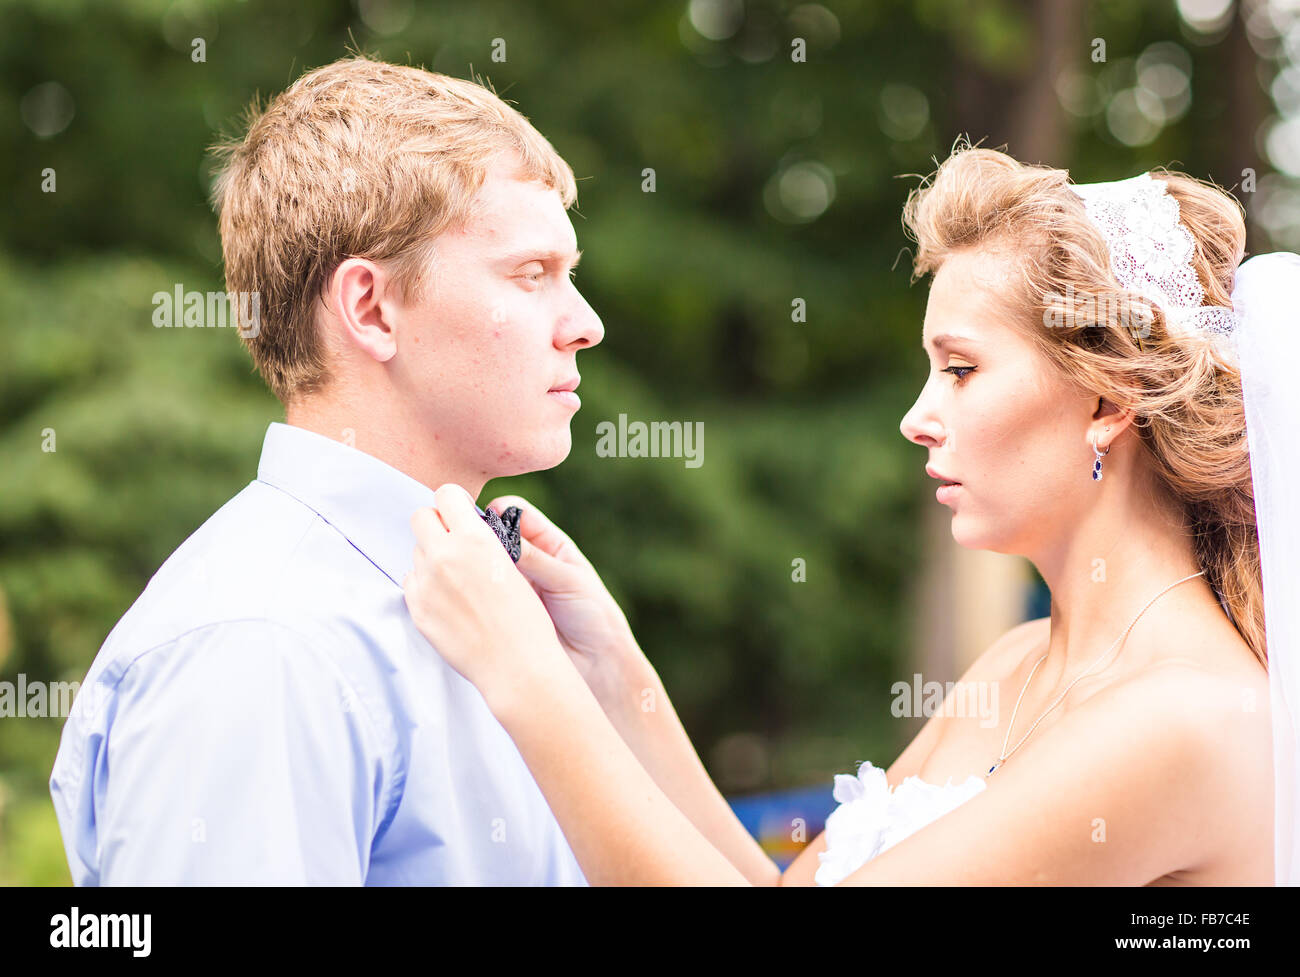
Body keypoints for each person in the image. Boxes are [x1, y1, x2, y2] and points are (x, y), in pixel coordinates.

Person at [402, 144, 1299, 885]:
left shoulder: (1185, 715)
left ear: (1106, 401)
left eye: (960, 368)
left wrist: (522, 677)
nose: (917, 417)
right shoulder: (1021, 661)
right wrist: (611, 670)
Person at [48, 55, 604, 884]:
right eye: (532, 275)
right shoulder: (264, 645)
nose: (583, 324)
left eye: (570, 277)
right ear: (371, 309)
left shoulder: (489, 608)